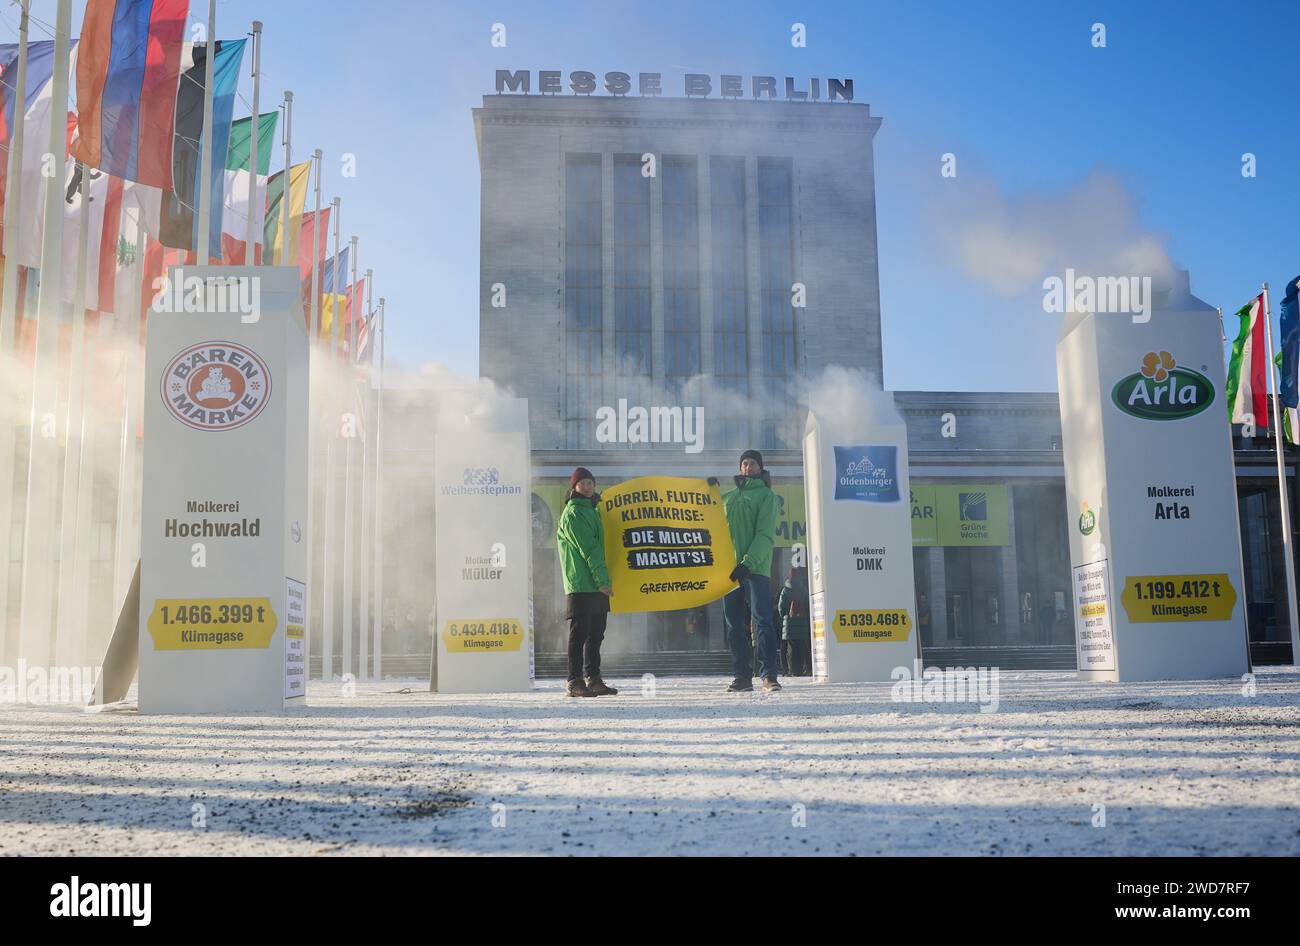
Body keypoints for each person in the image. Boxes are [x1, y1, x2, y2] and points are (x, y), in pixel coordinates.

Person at [715, 449, 781, 692]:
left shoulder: (767, 496)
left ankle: (769, 675)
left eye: (752, 463)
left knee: (762, 621)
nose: (748, 467)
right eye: (744, 463)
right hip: (729, 572)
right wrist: (708, 492)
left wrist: (747, 563)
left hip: (755, 569)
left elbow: (765, 535)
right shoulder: (727, 497)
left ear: (760, 468)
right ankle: (741, 676)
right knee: (733, 625)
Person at [555, 467, 617, 698]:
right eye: (583, 483)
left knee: (597, 633)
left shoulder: (593, 511)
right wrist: (602, 580)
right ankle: (574, 680)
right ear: (574, 487)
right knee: (579, 633)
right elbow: (590, 550)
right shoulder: (573, 514)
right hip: (581, 583)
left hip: (595, 583)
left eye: (590, 482)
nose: (588, 486)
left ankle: (594, 678)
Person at [778, 566, 811, 676]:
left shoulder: (785, 589)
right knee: (801, 646)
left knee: (790, 647)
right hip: (802, 622)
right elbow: (808, 605)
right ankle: (801, 670)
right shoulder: (804, 589)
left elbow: (781, 608)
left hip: (789, 623)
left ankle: (792, 670)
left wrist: (785, 617)